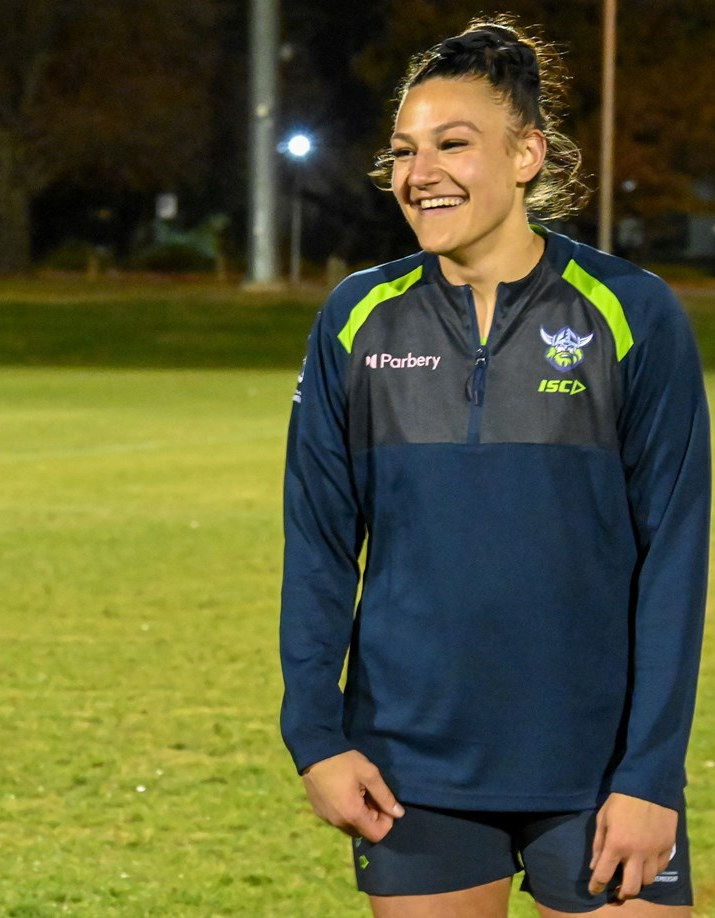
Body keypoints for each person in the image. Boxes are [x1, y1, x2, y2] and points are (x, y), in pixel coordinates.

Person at [280, 17, 708, 918]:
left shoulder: (631, 314)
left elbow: (675, 560)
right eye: (403, 150)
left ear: (526, 156)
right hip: (411, 771)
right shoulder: (357, 321)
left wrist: (651, 774)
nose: (418, 173)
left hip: (598, 770)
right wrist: (315, 737)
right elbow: (319, 545)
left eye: (453, 144)